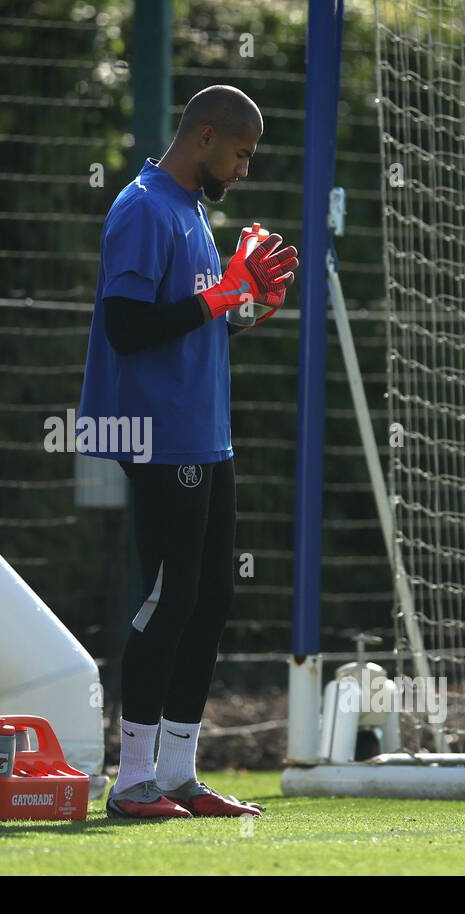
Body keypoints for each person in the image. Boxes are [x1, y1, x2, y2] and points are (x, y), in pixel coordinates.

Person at [77, 85, 299, 818]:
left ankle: (177, 774)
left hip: (206, 434)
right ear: (205, 137)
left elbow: (195, 323)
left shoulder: (194, 213)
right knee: (171, 596)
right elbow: (128, 328)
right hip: (159, 434)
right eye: (241, 154)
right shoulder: (143, 208)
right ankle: (131, 778)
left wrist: (248, 306)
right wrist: (218, 298)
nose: (244, 171)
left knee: (210, 597)